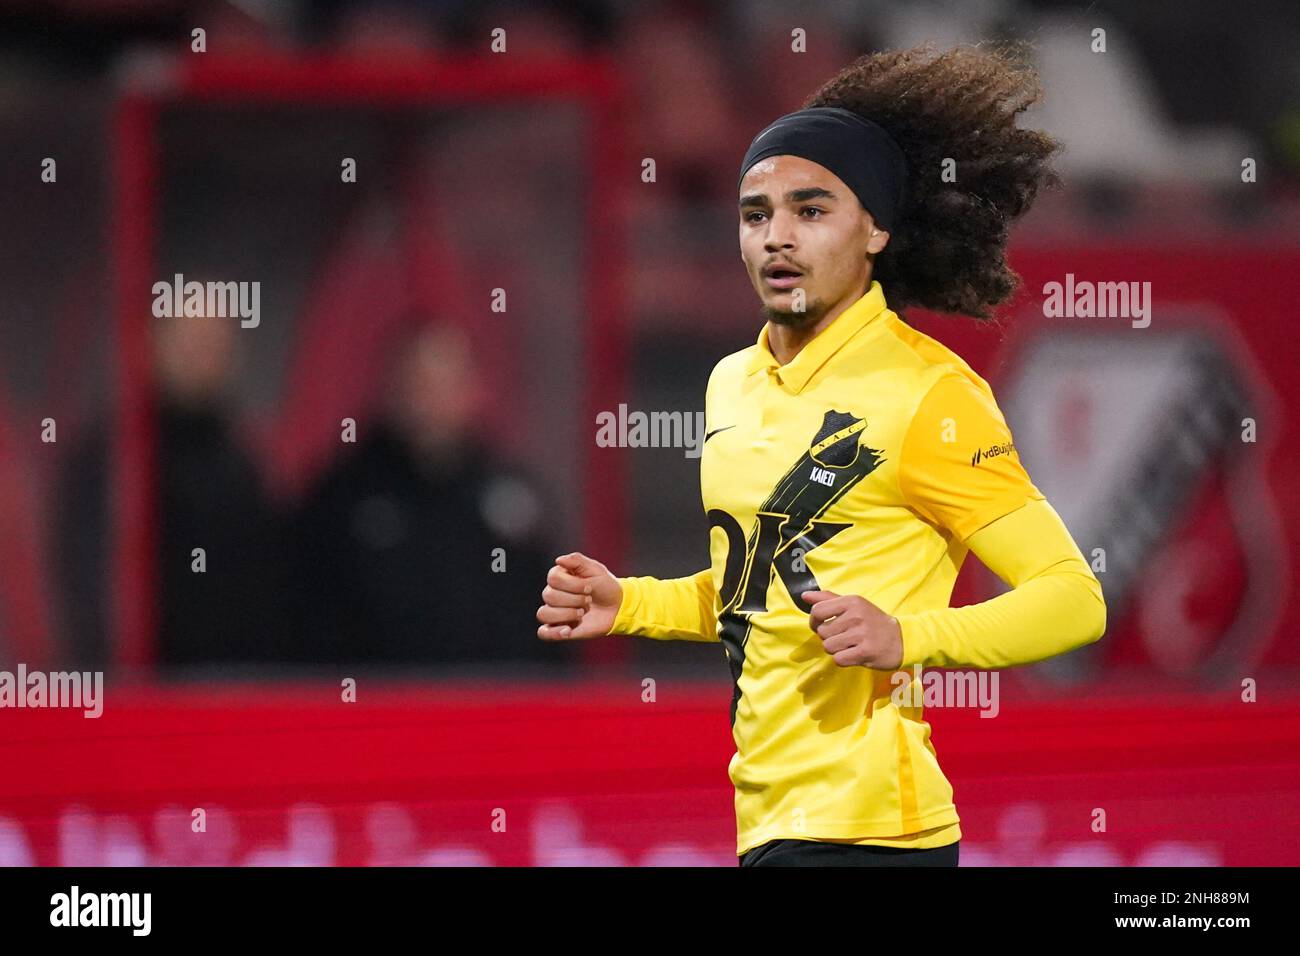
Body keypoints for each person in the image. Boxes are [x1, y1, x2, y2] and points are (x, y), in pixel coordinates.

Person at [536, 44, 1107, 866]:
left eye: (811, 210)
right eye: (756, 213)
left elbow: (1073, 599)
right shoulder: (732, 383)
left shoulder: (929, 393)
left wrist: (907, 636)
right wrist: (630, 603)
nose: (777, 237)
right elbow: (755, 593)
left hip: (876, 834)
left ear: (875, 229)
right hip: (770, 825)